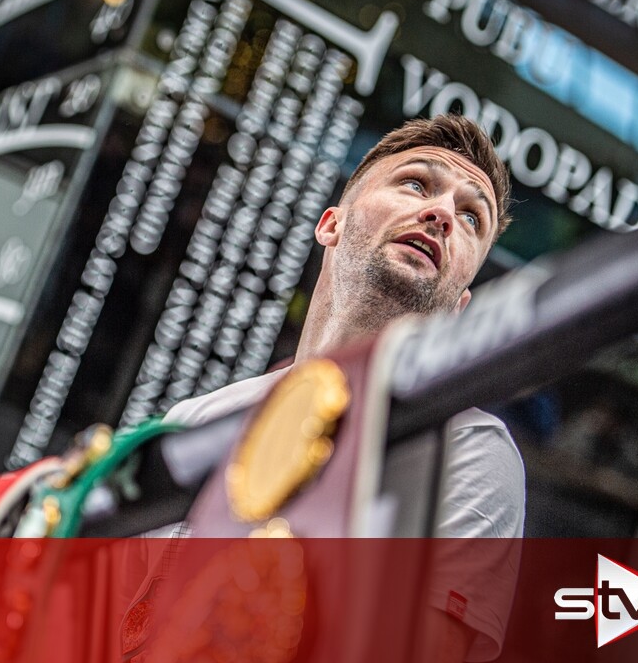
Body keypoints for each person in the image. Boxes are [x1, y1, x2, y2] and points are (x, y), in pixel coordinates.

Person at [161, 114, 525, 662]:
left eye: (472, 217)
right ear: (332, 223)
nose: (443, 213)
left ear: (461, 305)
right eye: (416, 184)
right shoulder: (201, 419)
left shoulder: (466, 447)